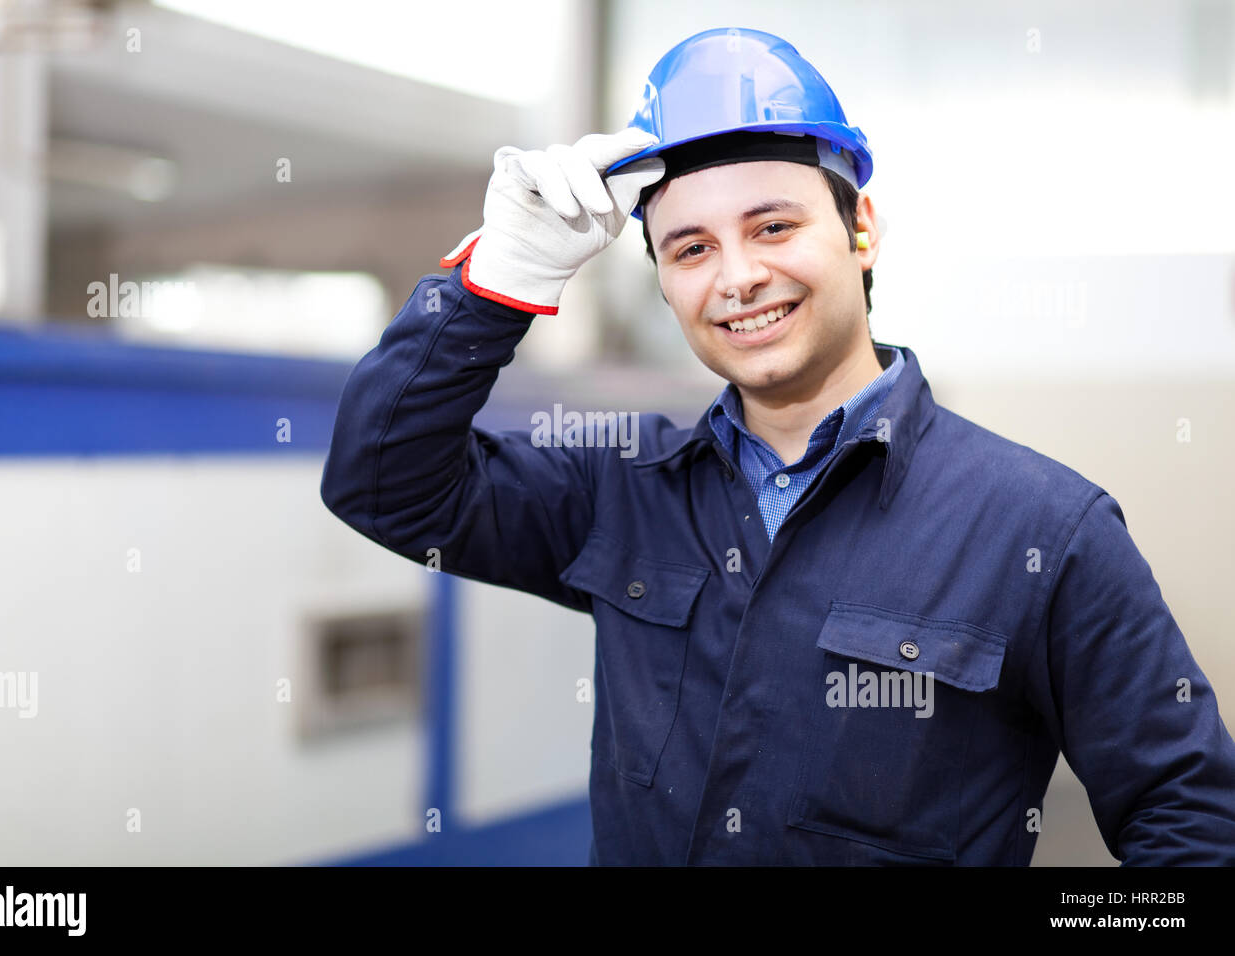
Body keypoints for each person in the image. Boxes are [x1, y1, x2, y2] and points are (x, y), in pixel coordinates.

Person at [320, 27, 1235, 865]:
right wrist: (496, 282)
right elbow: (382, 481)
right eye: (689, 249)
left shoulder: (1043, 527)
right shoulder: (624, 487)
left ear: (860, 230)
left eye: (774, 226)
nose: (739, 276)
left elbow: (1188, 819)